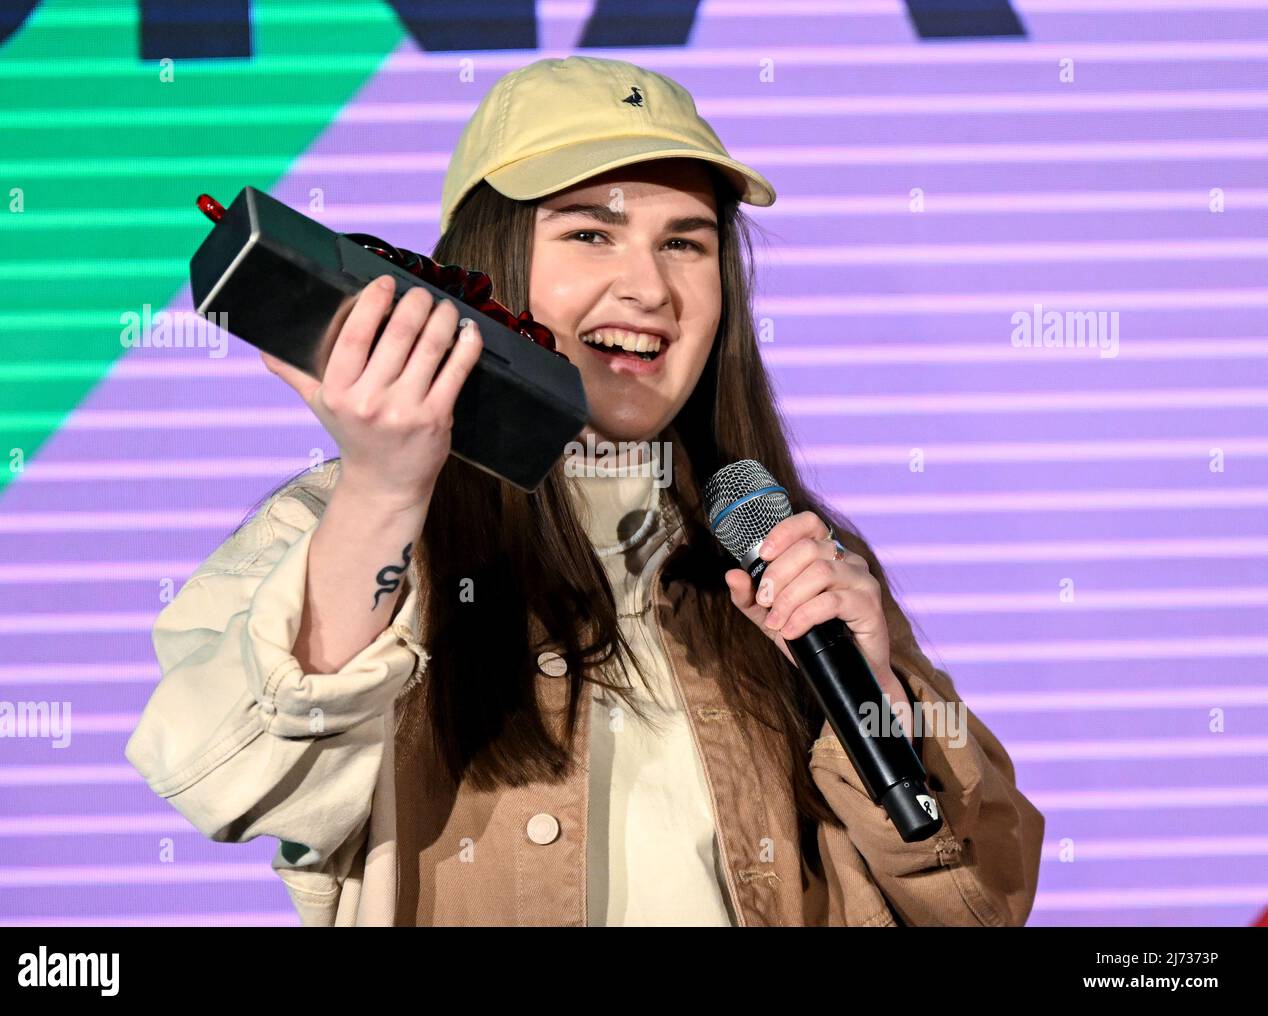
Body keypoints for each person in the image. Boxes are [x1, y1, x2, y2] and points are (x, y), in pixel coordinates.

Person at [125, 55, 1045, 927]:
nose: (647, 286)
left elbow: (986, 901)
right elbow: (225, 783)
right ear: (492, 265)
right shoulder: (340, 523)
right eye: (590, 232)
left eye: (686, 243)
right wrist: (385, 488)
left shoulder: (787, 552)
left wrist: (876, 689)